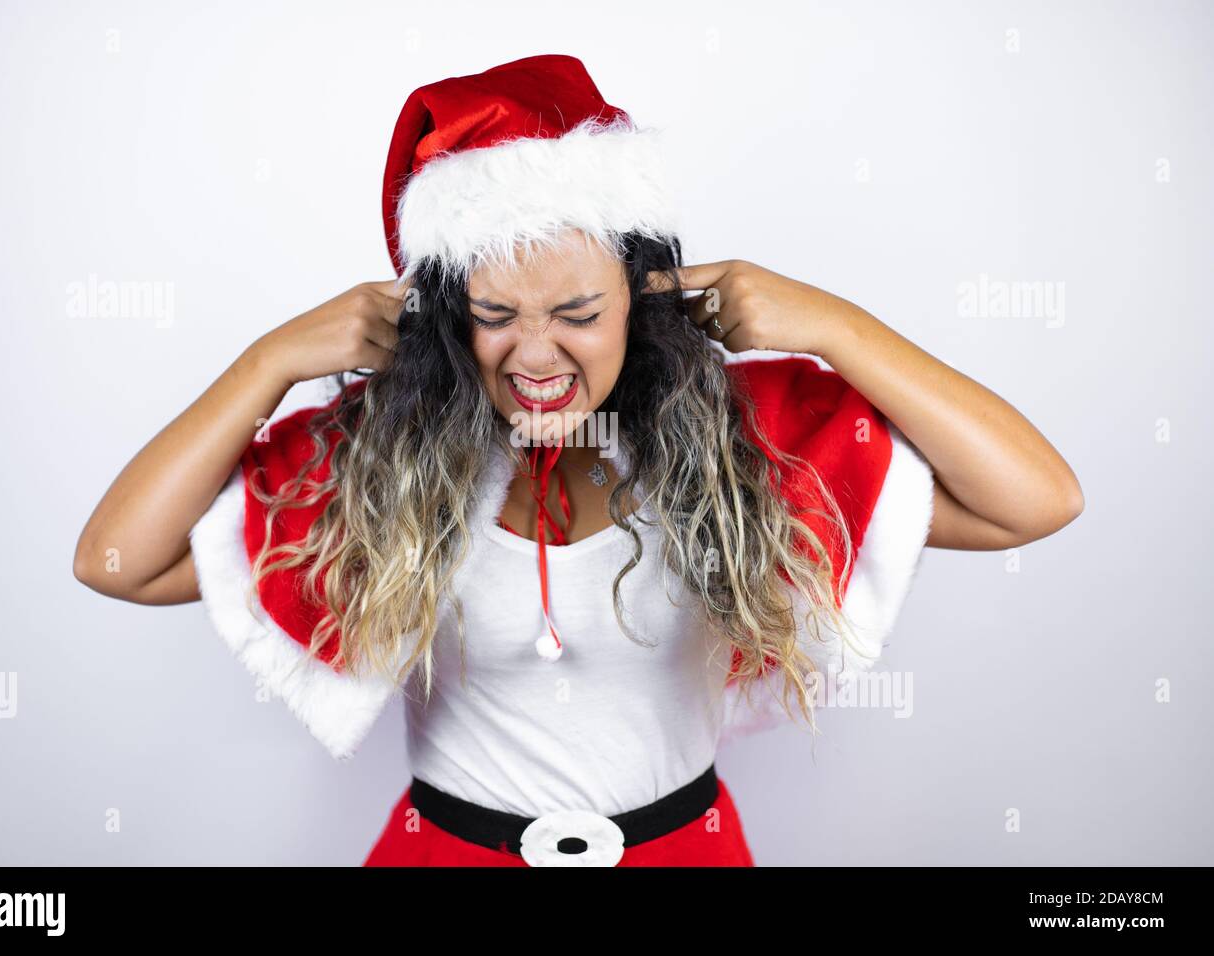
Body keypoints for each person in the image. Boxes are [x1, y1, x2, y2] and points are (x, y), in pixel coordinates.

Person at [74, 54, 1083, 867]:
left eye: (577, 312)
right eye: (495, 316)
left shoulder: (743, 435)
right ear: (443, 319)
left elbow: (1035, 498)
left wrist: (836, 328)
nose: (538, 354)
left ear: (641, 297)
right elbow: (116, 558)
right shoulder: (379, 453)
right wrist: (270, 361)